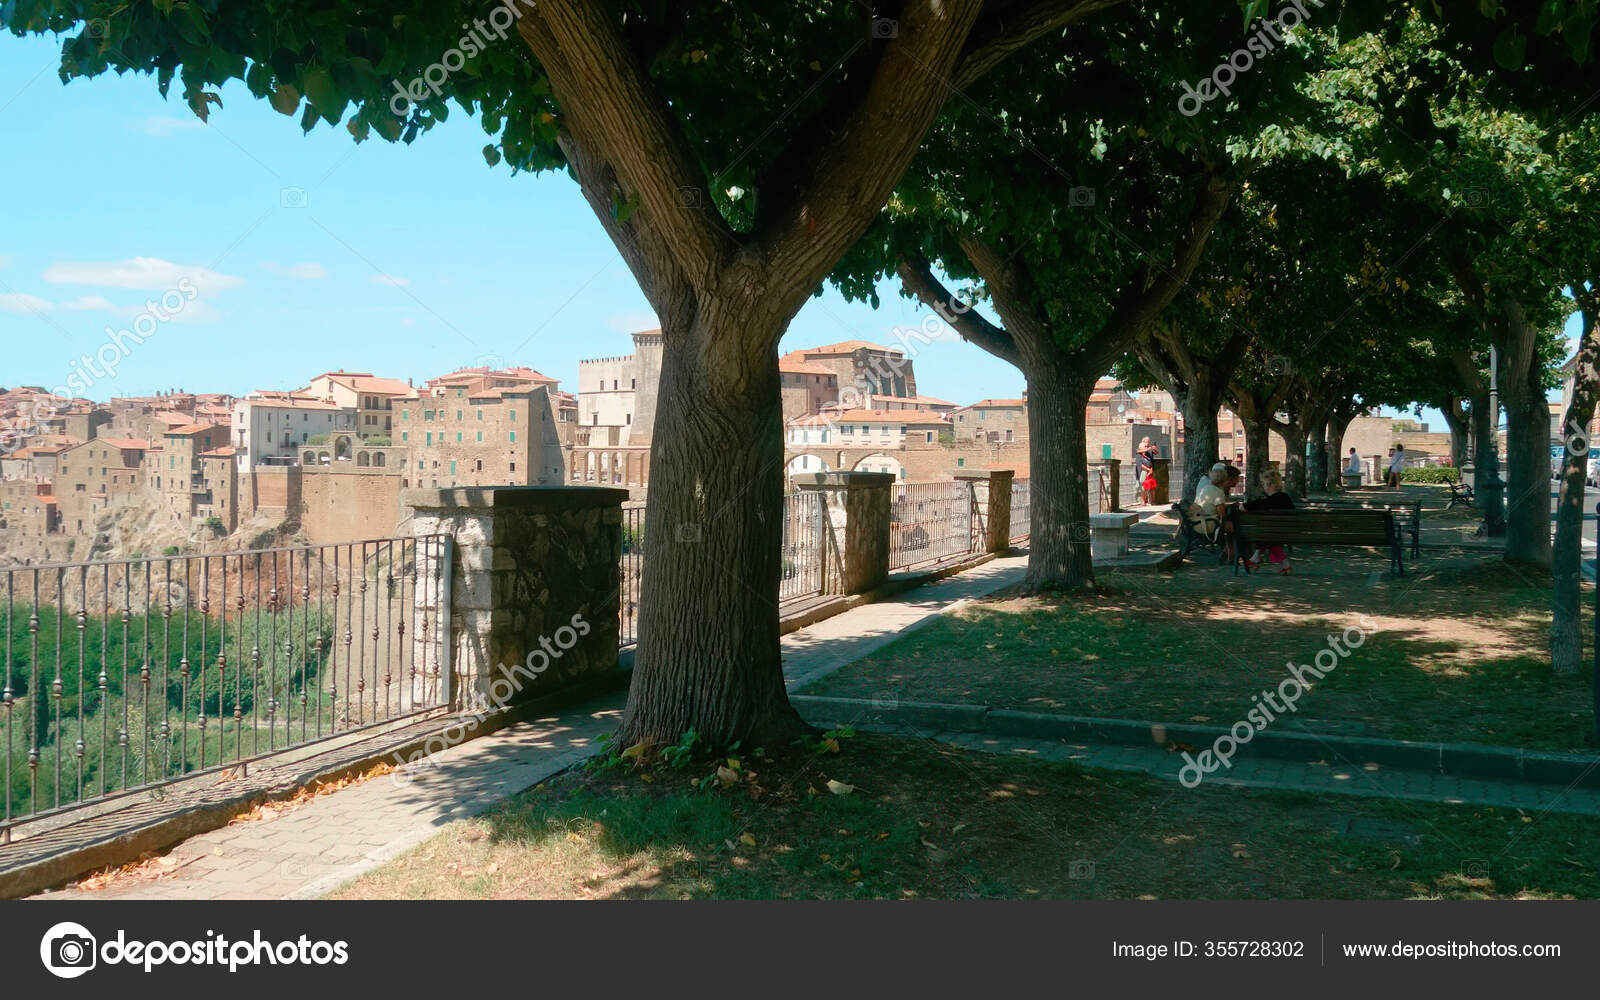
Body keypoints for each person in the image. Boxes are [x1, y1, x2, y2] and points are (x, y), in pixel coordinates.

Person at [1242, 469, 1294, 573]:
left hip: (1272, 533)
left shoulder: (1266, 501)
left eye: (1264, 484)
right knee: (1268, 534)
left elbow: (1245, 507)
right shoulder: (1286, 498)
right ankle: (1256, 558)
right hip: (1288, 531)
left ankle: (1256, 558)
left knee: (1266, 534)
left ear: (1270, 485)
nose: (1263, 487)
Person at [1189, 462, 1230, 547]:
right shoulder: (1218, 492)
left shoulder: (1205, 488)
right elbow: (1221, 513)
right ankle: (1230, 551)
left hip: (1196, 521)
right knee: (1232, 526)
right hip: (1207, 524)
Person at [1134, 438, 1157, 504]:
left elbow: (1152, 461)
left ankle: (1151, 501)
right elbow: (1140, 465)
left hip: (1149, 473)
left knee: (1151, 486)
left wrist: (1151, 470)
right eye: (1145, 445)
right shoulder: (1138, 454)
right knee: (1142, 487)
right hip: (1142, 472)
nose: (1147, 446)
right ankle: (1143, 501)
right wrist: (1149, 469)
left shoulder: (1148, 454)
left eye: (1148, 444)